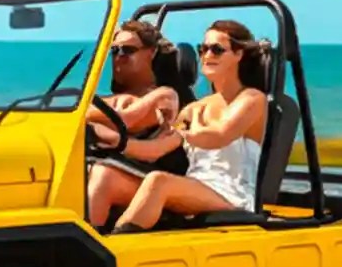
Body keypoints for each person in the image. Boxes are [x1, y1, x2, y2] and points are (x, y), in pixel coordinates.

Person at [91, 19, 270, 234]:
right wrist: (112, 139)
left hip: (231, 194)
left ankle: (113, 248)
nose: (207, 56)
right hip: (193, 188)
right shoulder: (194, 109)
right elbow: (155, 151)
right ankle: (83, 245)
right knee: (106, 176)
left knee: (158, 181)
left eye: (217, 49)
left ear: (239, 54)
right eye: (202, 49)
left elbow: (220, 135)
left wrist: (184, 131)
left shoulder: (252, 99)